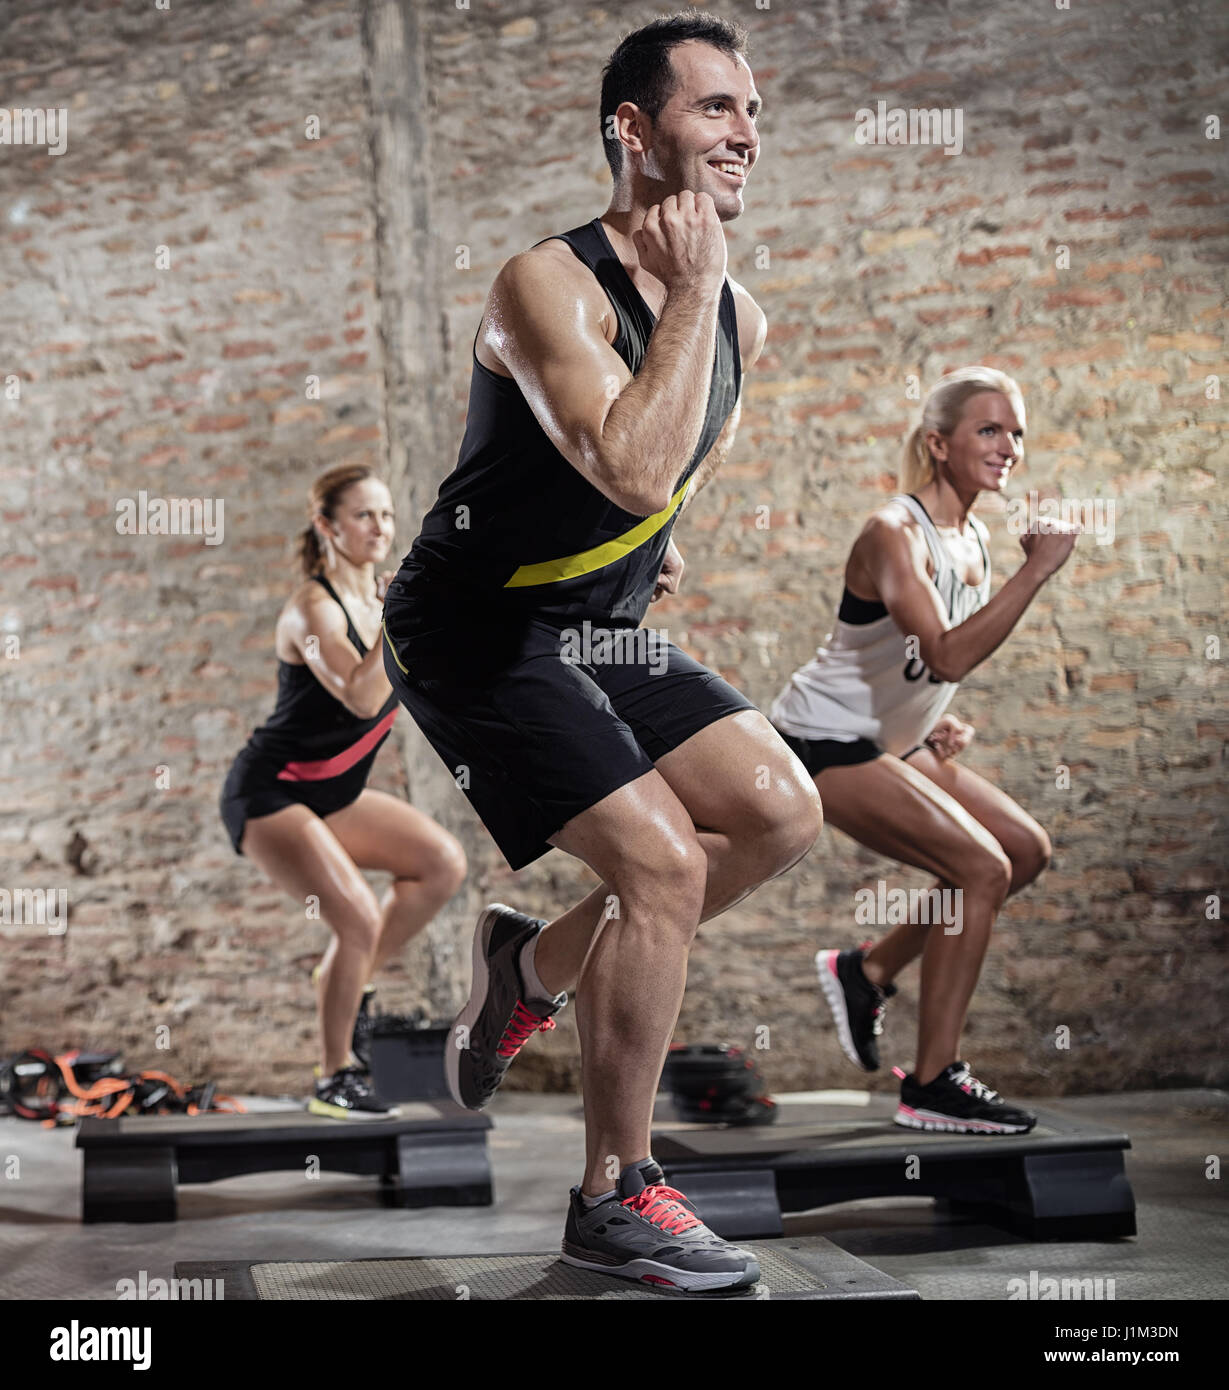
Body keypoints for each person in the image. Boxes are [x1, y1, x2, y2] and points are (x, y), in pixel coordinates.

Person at [381, 13, 820, 1292]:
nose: (743, 134)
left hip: (592, 624)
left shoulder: (742, 316)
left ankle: (528, 966)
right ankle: (612, 1194)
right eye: (714, 109)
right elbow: (628, 465)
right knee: (663, 862)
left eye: (751, 113)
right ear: (633, 130)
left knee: (776, 812)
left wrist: (651, 552)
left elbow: (663, 482)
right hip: (469, 624)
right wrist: (686, 292)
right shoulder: (547, 281)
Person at [769, 366, 1081, 1135]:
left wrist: (940, 721)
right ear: (938, 444)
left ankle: (866, 970)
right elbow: (941, 653)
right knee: (979, 868)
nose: (1007, 446)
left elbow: (920, 669)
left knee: (1024, 849)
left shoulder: (970, 534)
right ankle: (933, 1082)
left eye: (1015, 433)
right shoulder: (892, 532)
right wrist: (1036, 568)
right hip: (820, 740)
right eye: (988, 430)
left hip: (892, 741)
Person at [220, 464, 467, 1119]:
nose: (379, 528)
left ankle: (342, 977)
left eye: (386, 515)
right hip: (270, 792)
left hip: (332, 794)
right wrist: (402, 614)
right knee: (355, 918)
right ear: (326, 526)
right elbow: (361, 698)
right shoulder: (312, 606)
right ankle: (334, 1076)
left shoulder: (383, 602)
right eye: (362, 515)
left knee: (439, 864)